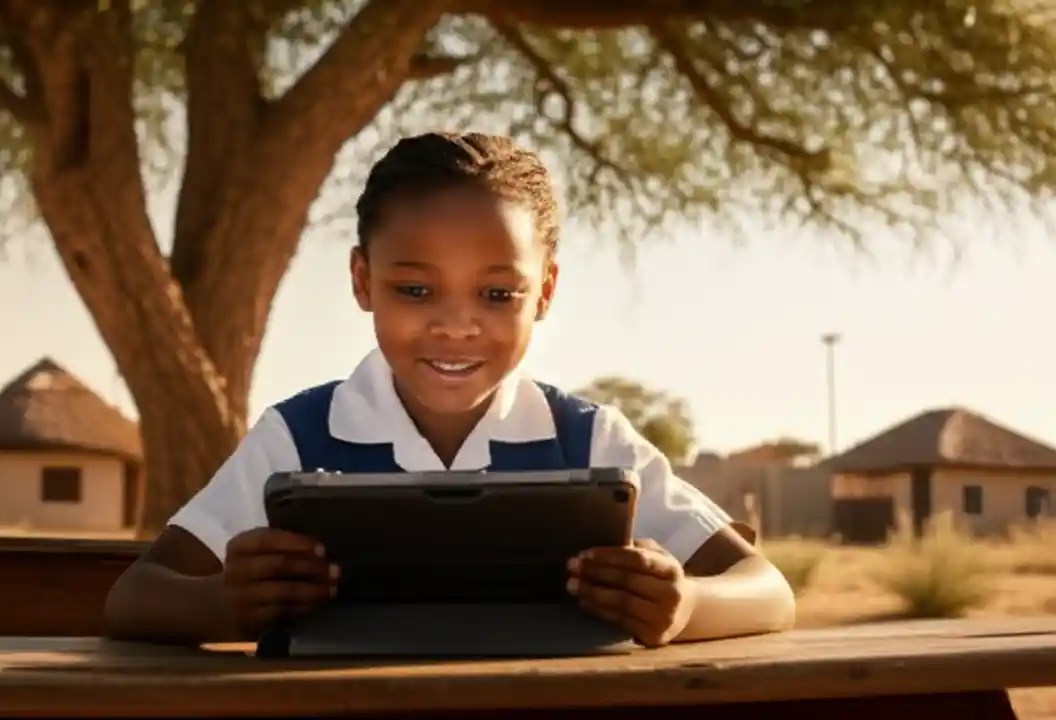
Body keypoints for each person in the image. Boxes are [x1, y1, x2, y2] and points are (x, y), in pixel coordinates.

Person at [103, 131, 796, 647]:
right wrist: (223, 606)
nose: (457, 326)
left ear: (544, 291)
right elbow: (133, 598)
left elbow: (766, 591)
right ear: (361, 282)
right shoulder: (295, 437)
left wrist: (684, 609)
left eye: (497, 293)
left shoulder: (591, 440)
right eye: (415, 289)